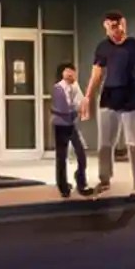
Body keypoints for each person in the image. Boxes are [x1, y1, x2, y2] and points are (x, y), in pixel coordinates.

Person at [80, 10, 135, 199]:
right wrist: (87, 97)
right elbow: (96, 74)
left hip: (131, 100)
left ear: (124, 25)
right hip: (108, 99)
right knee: (105, 144)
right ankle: (104, 178)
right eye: (110, 27)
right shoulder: (102, 47)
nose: (115, 30)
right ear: (105, 28)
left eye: (117, 25)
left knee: (134, 144)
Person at [50, 63, 93, 198]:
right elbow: (62, 108)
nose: (70, 74)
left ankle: (81, 181)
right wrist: (75, 110)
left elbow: (81, 103)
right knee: (61, 157)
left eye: (73, 72)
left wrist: (80, 108)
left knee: (81, 153)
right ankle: (63, 186)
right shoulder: (58, 88)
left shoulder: (74, 87)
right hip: (61, 125)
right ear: (62, 73)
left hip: (71, 125)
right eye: (67, 72)